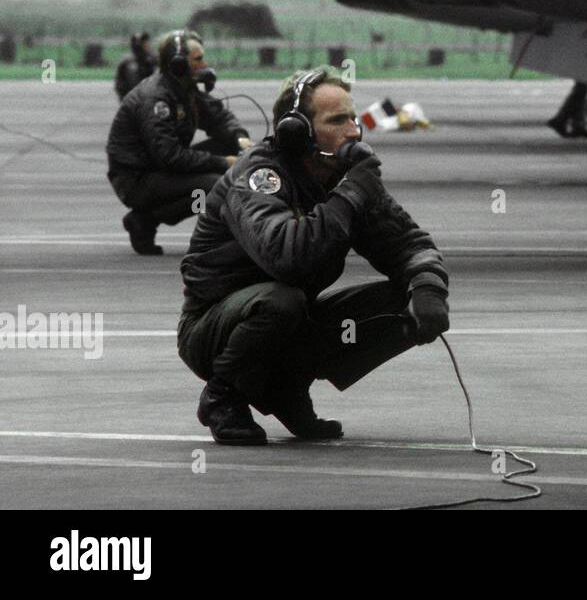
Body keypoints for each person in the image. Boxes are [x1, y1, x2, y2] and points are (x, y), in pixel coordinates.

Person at [176, 68, 451, 445]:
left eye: (353, 119)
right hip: (214, 328)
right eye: (338, 120)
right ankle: (223, 397)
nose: (354, 131)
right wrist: (350, 195)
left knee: (402, 298)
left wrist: (427, 287)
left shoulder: (343, 178)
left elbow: (406, 242)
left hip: (288, 319)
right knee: (281, 301)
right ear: (296, 130)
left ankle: (285, 390)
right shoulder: (260, 176)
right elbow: (290, 258)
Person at [106, 29, 250, 255]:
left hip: (159, 169)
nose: (205, 64)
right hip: (135, 179)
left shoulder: (185, 89)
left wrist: (240, 139)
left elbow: (219, 118)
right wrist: (223, 162)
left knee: (231, 147)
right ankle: (151, 220)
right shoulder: (156, 99)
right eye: (198, 59)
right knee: (215, 184)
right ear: (178, 64)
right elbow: (170, 156)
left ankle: (145, 219)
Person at [113, 32, 156, 101]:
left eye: (147, 42)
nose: (147, 44)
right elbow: (119, 83)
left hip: (149, 100)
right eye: (144, 43)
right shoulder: (126, 61)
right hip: (131, 100)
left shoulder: (152, 60)